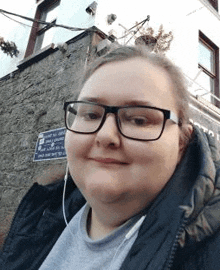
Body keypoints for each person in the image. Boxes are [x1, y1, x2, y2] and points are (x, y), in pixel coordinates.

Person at [1, 44, 220, 270]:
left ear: (182, 142)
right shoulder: (34, 223)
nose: (105, 135)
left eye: (139, 120)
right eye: (91, 114)